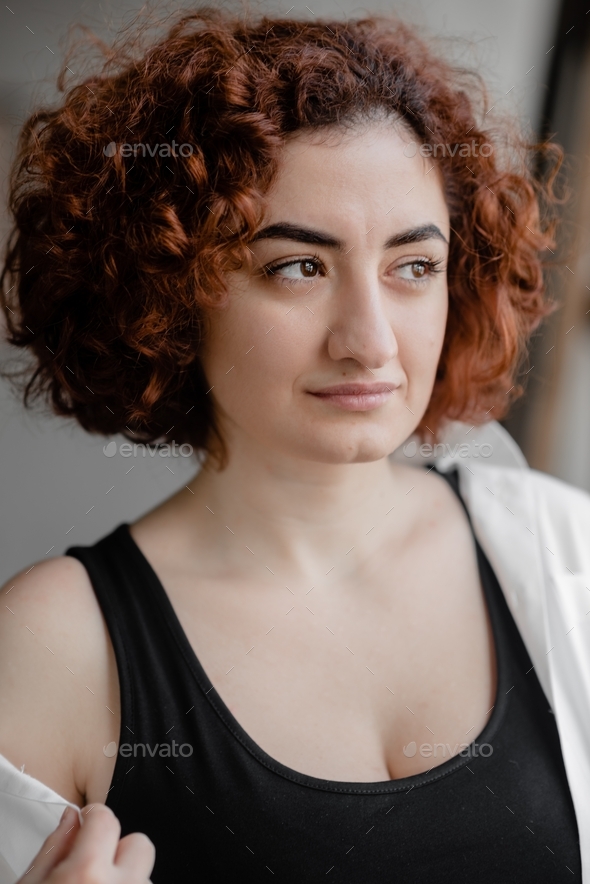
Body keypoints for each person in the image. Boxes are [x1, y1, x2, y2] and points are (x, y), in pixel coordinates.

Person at [0, 6, 587, 883]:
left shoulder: (563, 552)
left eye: (412, 266)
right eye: (298, 267)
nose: (371, 340)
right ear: (172, 289)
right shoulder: (54, 644)